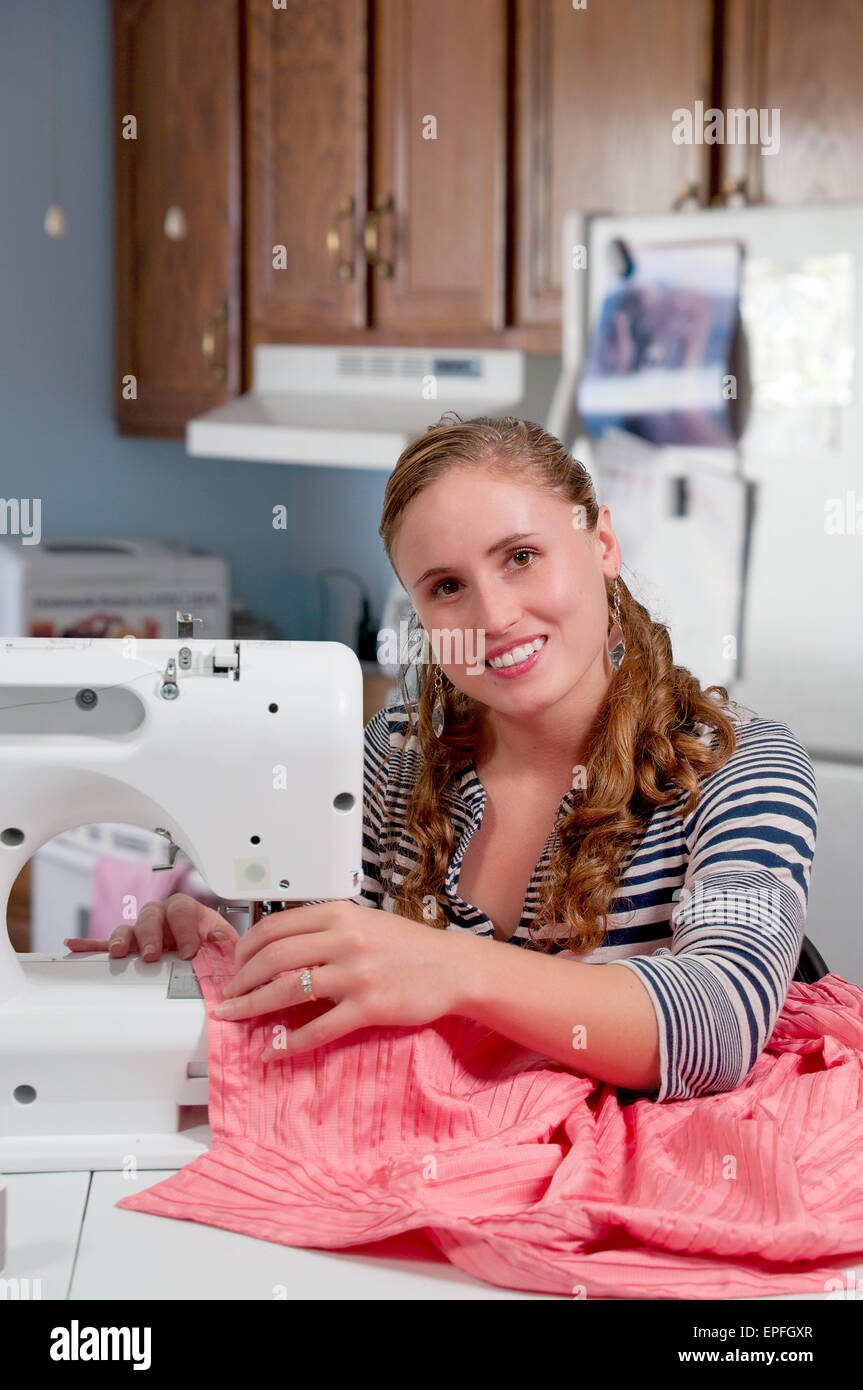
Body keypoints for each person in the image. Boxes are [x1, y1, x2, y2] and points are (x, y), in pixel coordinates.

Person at [67, 415, 818, 1102]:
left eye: (521, 556)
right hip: (424, 1194)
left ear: (601, 544)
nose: (493, 617)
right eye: (447, 587)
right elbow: (336, 983)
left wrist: (453, 970)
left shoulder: (741, 768)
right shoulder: (393, 754)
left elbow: (721, 1024)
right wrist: (239, 955)